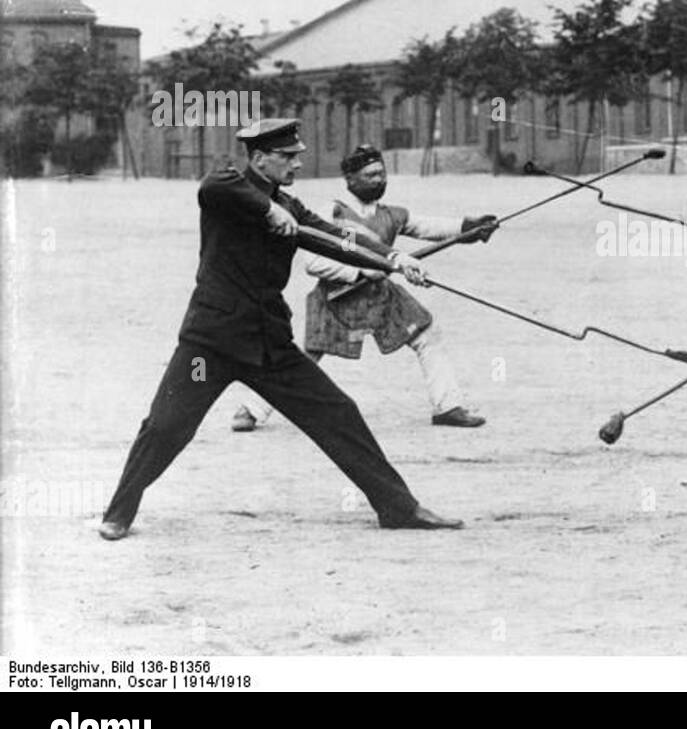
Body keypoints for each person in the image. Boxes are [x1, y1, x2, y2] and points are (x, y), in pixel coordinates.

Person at [98, 119, 464, 541]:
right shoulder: (228, 191)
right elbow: (211, 184)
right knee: (166, 427)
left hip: (269, 346)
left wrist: (394, 259)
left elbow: (338, 236)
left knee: (338, 413)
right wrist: (265, 208)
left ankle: (398, 508)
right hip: (209, 345)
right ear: (259, 158)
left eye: (298, 155)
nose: (298, 162)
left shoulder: (292, 206)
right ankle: (118, 512)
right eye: (288, 156)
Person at [230, 144, 497, 432]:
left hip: (381, 296)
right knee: (306, 355)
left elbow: (427, 226)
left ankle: (448, 407)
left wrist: (469, 227)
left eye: (382, 174)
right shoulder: (332, 211)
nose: (379, 180)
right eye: (370, 175)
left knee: (428, 335)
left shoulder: (393, 215)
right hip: (336, 299)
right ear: (351, 179)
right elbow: (313, 264)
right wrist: (359, 271)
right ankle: (252, 410)